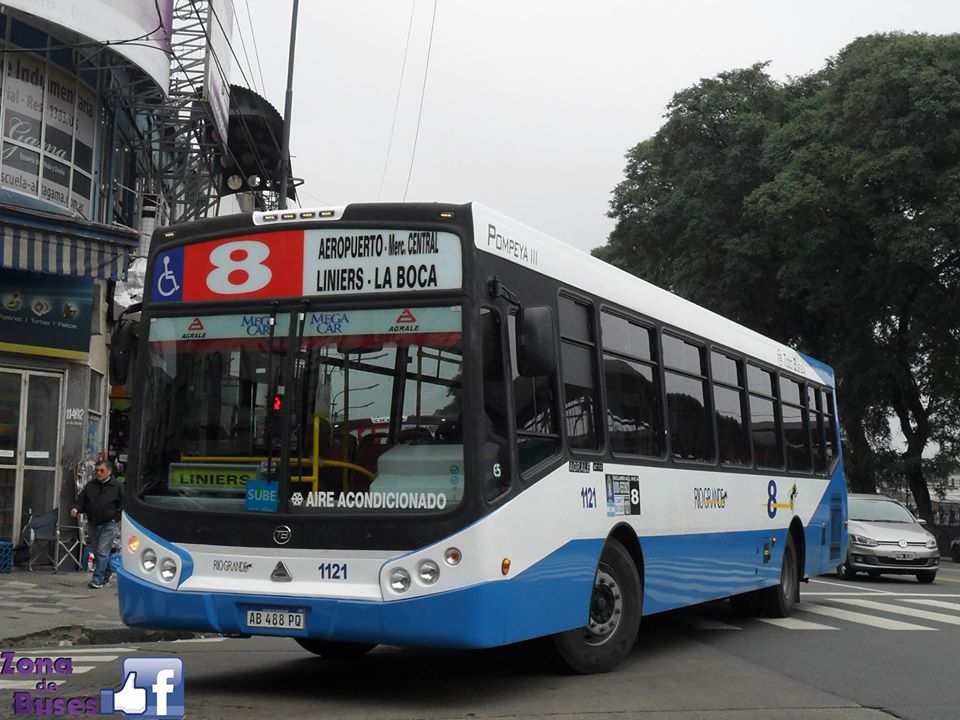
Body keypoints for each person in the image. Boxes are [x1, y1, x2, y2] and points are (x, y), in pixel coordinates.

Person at [70, 460, 123, 589]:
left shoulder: (117, 486)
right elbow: (82, 500)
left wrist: (116, 517)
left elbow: (124, 504)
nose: (99, 473)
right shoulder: (91, 485)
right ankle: (107, 572)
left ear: (109, 471)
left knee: (101, 551)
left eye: (102, 471)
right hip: (93, 522)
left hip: (109, 524)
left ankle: (97, 579)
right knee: (98, 551)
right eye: (97, 470)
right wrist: (76, 509)